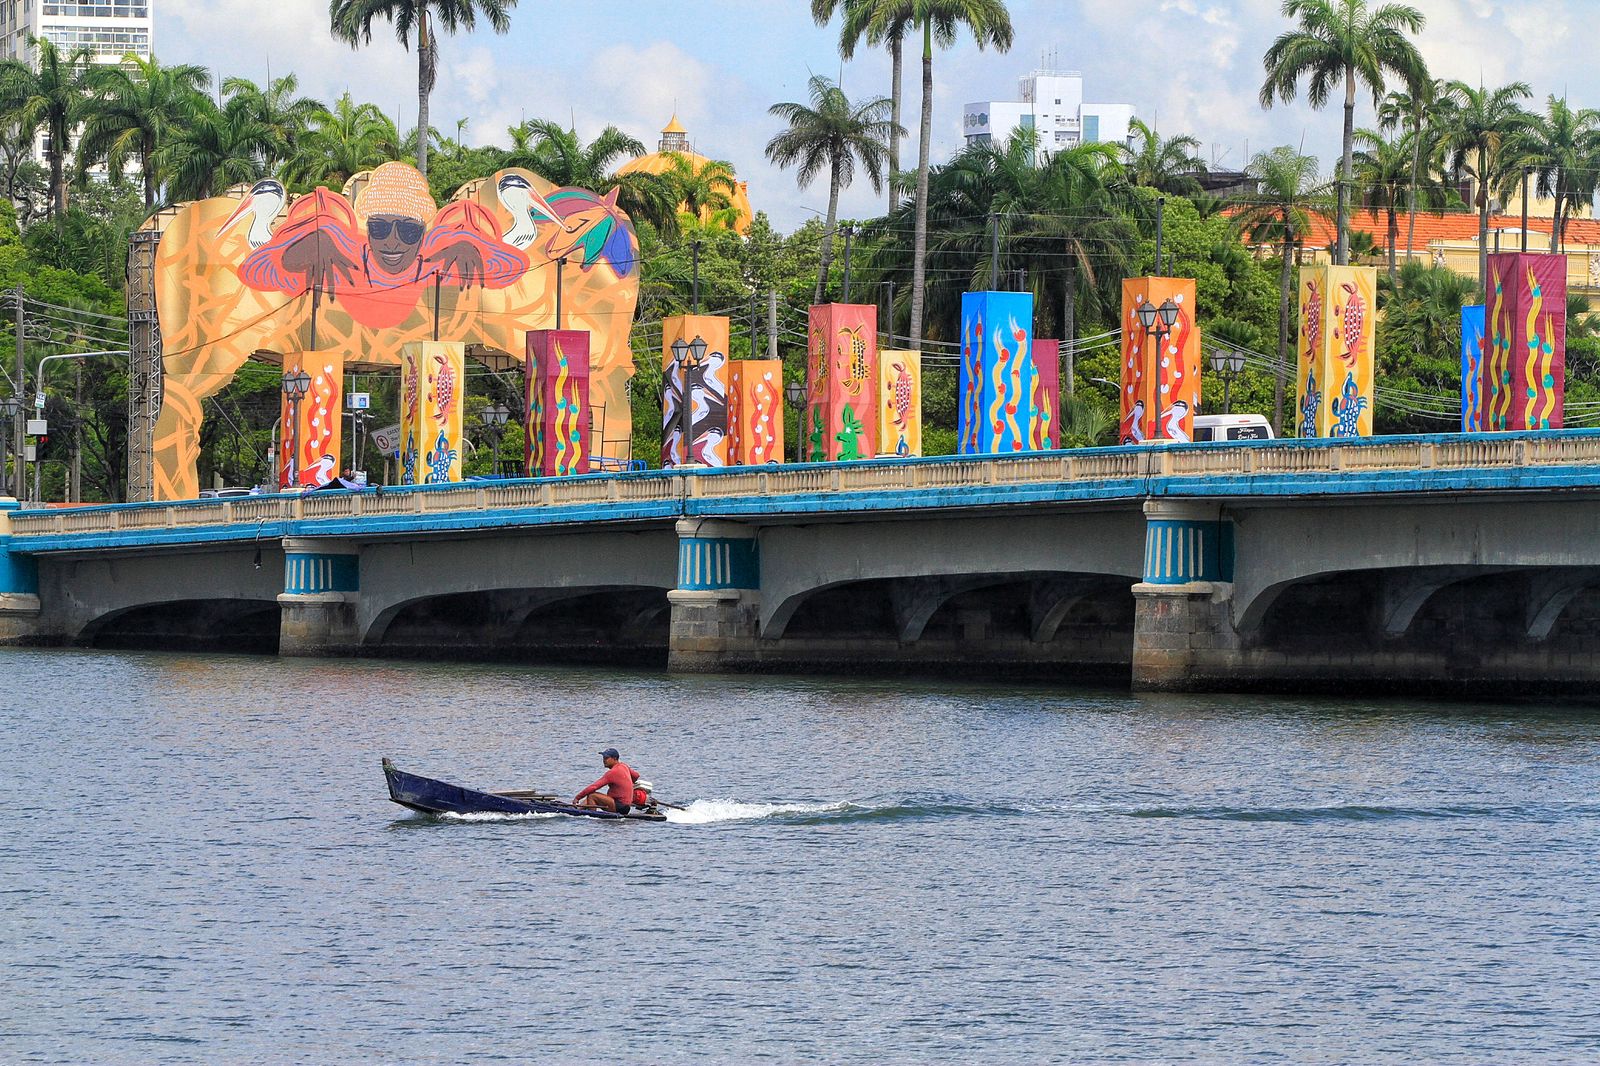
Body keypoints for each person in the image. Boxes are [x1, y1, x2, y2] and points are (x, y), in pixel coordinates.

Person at [574, 748, 639, 815]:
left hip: (619, 807)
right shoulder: (624, 766)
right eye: (603, 758)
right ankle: (577, 809)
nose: (604, 760)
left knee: (592, 795)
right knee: (590, 797)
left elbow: (594, 786)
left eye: (606, 758)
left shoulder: (612, 772)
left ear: (614, 759)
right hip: (626, 806)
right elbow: (636, 776)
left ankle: (593, 817)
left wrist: (577, 797)